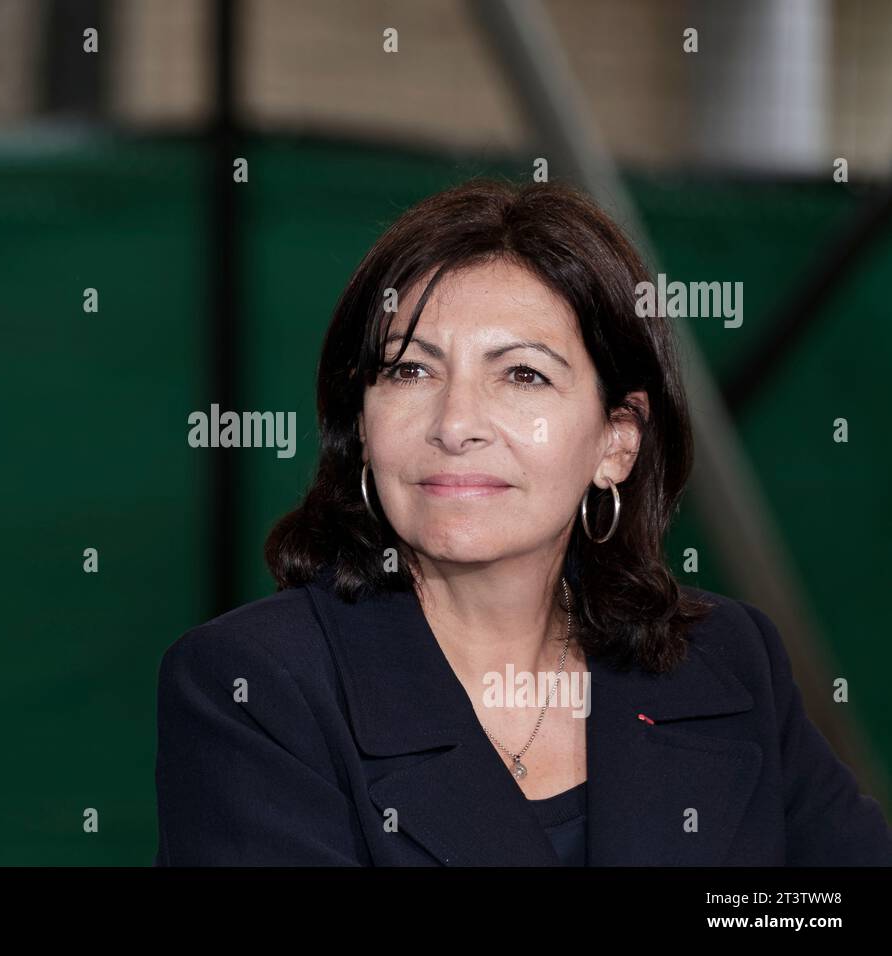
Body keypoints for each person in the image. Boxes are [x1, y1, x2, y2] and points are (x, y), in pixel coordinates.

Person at [153, 179, 892, 866]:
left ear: (617, 441)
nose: (456, 423)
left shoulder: (724, 659)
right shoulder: (256, 688)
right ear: (362, 425)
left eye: (523, 375)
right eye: (410, 370)